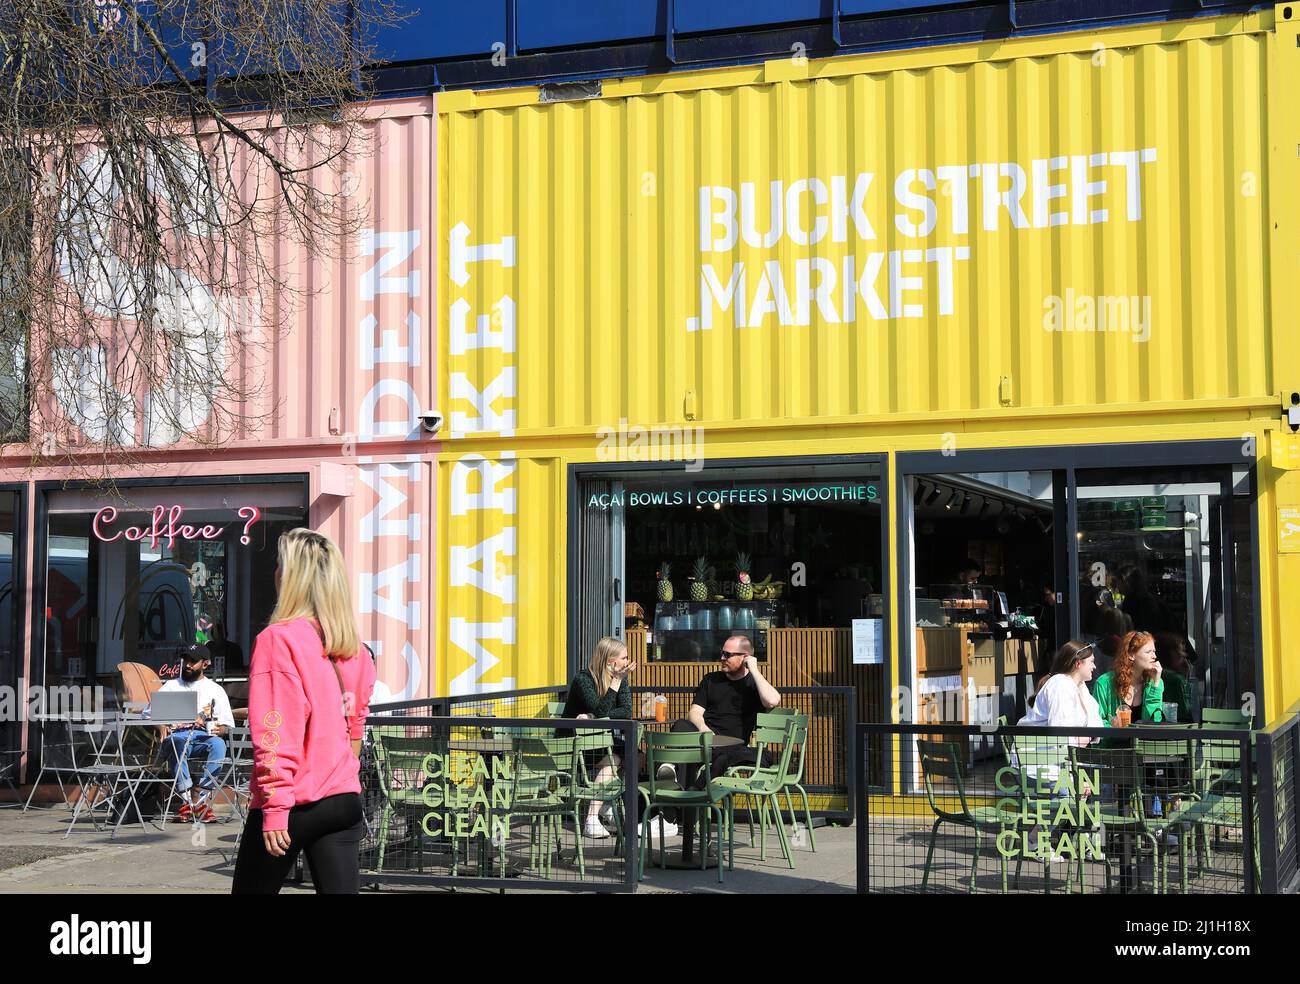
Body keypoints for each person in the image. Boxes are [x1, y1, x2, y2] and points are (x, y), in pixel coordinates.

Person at [232, 528, 376, 895]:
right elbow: (353, 730)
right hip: (342, 799)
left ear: (292, 576)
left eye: (279, 564)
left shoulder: (278, 640)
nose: (275, 572)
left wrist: (276, 807)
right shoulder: (353, 648)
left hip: (295, 802)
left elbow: (276, 731)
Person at [561, 636, 635, 838]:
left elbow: (626, 710)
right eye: (624, 657)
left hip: (596, 742)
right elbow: (600, 710)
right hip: (571, 747)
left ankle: (603, 804)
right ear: (611, 661)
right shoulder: (583, 679)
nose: (628, 662)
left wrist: (595, 716)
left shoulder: (621, 679)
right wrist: (616, 682)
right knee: (615, 759)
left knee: (636, 756)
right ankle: (594, 816)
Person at [151, 643, 235, 823]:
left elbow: (227, 724)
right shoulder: (171, 686)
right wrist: (160, 726)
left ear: (206, 664)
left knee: (219, 744)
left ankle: (202, 801)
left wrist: (221, 730)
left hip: (202, 736)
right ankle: (187, 802)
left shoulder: (215, 690)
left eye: (193, 661)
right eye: (185, 660)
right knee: (176, 743)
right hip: (178, 735)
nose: (187, 664)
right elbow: (150, 713)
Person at [1019, 640, 1104, 739]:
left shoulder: (1080, 685)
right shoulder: (1060, 685)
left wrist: (1088, 737)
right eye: (1092, 661)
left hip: (1060, 751)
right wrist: (1083, 738)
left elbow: (1095, 719)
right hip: (1037, 751)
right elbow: (1060, 732)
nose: (1094, 666)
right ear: (1078, 663)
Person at [1092, 630, 1165, 725]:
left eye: (1154, 651)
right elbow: (1096, 723)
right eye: (1148, 652)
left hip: (1143, 740)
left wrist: (1155, 686)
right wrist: (1113, 728)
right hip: (1115, 739)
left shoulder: (1155, 681)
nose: (1154, 656)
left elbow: (1154, 723)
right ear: (1131, 655)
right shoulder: (1104, 683)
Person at [1152, 632, 1195, 723]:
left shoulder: (1152, 674)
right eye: (1179, 651)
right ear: (1168, 653)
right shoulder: (1175, 679)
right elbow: (1184, 711)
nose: (1184, 655)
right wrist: (1185, 679)